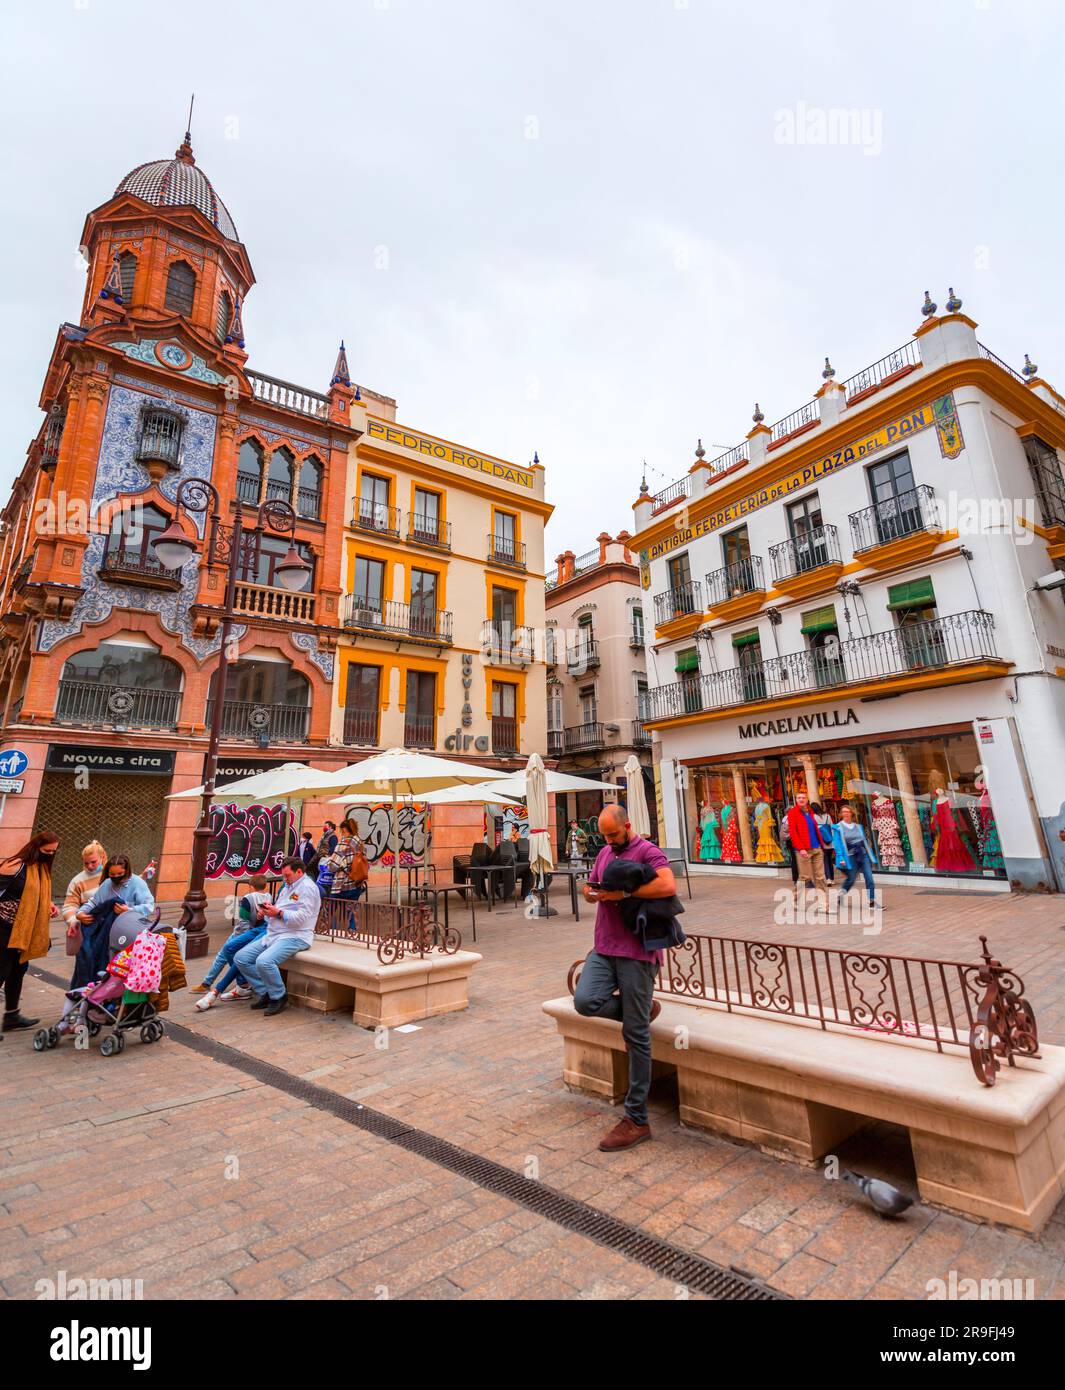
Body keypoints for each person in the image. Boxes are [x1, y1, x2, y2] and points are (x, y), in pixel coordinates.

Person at [573, 805, 676, 1152]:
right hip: (604, 947)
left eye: (613, 834)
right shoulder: (604, 853)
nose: (608, 841)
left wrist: (626, 894)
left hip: (636, 952)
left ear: (627, 826)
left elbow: (667, 885)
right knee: (585, 1000)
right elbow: (592, 885)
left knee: (635, 1036)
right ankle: (640, 1010)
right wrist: (591, 893)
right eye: (604, 836)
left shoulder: (647, 851)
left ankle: (637, 1119)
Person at [233, 856, 321, 1016]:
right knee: (241, 958)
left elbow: (302, 918)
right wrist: (266, 912)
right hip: (275, 933)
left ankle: (279, 996)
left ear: (299, 871)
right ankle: (265, 992)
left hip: (296, 935)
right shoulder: (289, 885)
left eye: (287, 875)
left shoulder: (308, 888)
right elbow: (280, 909)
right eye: (283, 875)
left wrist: (278, 913)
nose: (284, 879)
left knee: (264, 961)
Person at [0, 830, 59, 1036]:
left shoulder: (41, 868)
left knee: (18, 971)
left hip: (25, 932)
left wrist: (48, 904)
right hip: (5, 927)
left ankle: (12, 1016)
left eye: (53, 852)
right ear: (36, 847)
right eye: (46, 851)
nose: (50, 855)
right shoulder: (15, 865)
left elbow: (34, 894)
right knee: (1, 971)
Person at [193, 875, 272, 1009]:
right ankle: (224, 985)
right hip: (256, 931)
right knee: (231, 955)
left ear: (250, 886)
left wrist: (243, 938)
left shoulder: (248, 898)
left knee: (225, 953)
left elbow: (243, 921)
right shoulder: (269, 897)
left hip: (244, 933)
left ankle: (234, 984)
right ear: (265, 886)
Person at [785, 793, 829, 907]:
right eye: (799, 797)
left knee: (820, 877)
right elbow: (793, 832)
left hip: (817, 848)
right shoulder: (792, 813)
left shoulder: (810, 812)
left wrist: (821, 846)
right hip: (804, 850)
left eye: (803, 797)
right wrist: (800, 849)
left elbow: (814, 830)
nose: (801, 799)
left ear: (807, 799)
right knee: (805, 877)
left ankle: (823, 904)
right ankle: (794, 898)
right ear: (796, 800)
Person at [836, 804, 882, 912]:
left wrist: (870, 856)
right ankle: (841, 895)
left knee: (869, 877)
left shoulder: (858, 826)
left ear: (851, 813)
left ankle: (872, 901)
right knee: (851, 879)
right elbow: (837, 844)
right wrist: (841, 857)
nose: (846, 814)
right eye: (844, 812)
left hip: (862, 854)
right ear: (841, 814)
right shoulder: (838, 827)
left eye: (848, 811)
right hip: (850, 856)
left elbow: (864, 841)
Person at [79, 854, 154, 919]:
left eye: (120, 873)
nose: (116, 876)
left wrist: (130, 910)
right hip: (110, 927)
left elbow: (149, 906)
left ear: (127, 871)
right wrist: (81, 912)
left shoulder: (137, 883)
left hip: (133, 926)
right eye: (112, 874)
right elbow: (94, 902)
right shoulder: (107, 884)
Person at [319, 819, 368, 902]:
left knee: (331, 911)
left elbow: (333, 866)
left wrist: (328, 863)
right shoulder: (360, 843)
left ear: (343, 830)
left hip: (342, 885)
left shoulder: (342, 844)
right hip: (357, 883)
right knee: (350, 912)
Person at [62, 840, 106, 928]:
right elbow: (69, 906)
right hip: (88, 926)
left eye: (93, 862)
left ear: (102, 857)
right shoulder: (77, 881)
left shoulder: (112, 874)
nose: (89, 866)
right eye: (86, 863)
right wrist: (74, 921)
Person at [811, 802, 835, 884]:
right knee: (829, 860)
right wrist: (832, 839)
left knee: (825, 860)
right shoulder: (827, 816)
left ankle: (828, 879)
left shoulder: (813, 817)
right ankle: (832, 878)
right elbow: (832, 827)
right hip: (830, 841)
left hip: (821, 841)